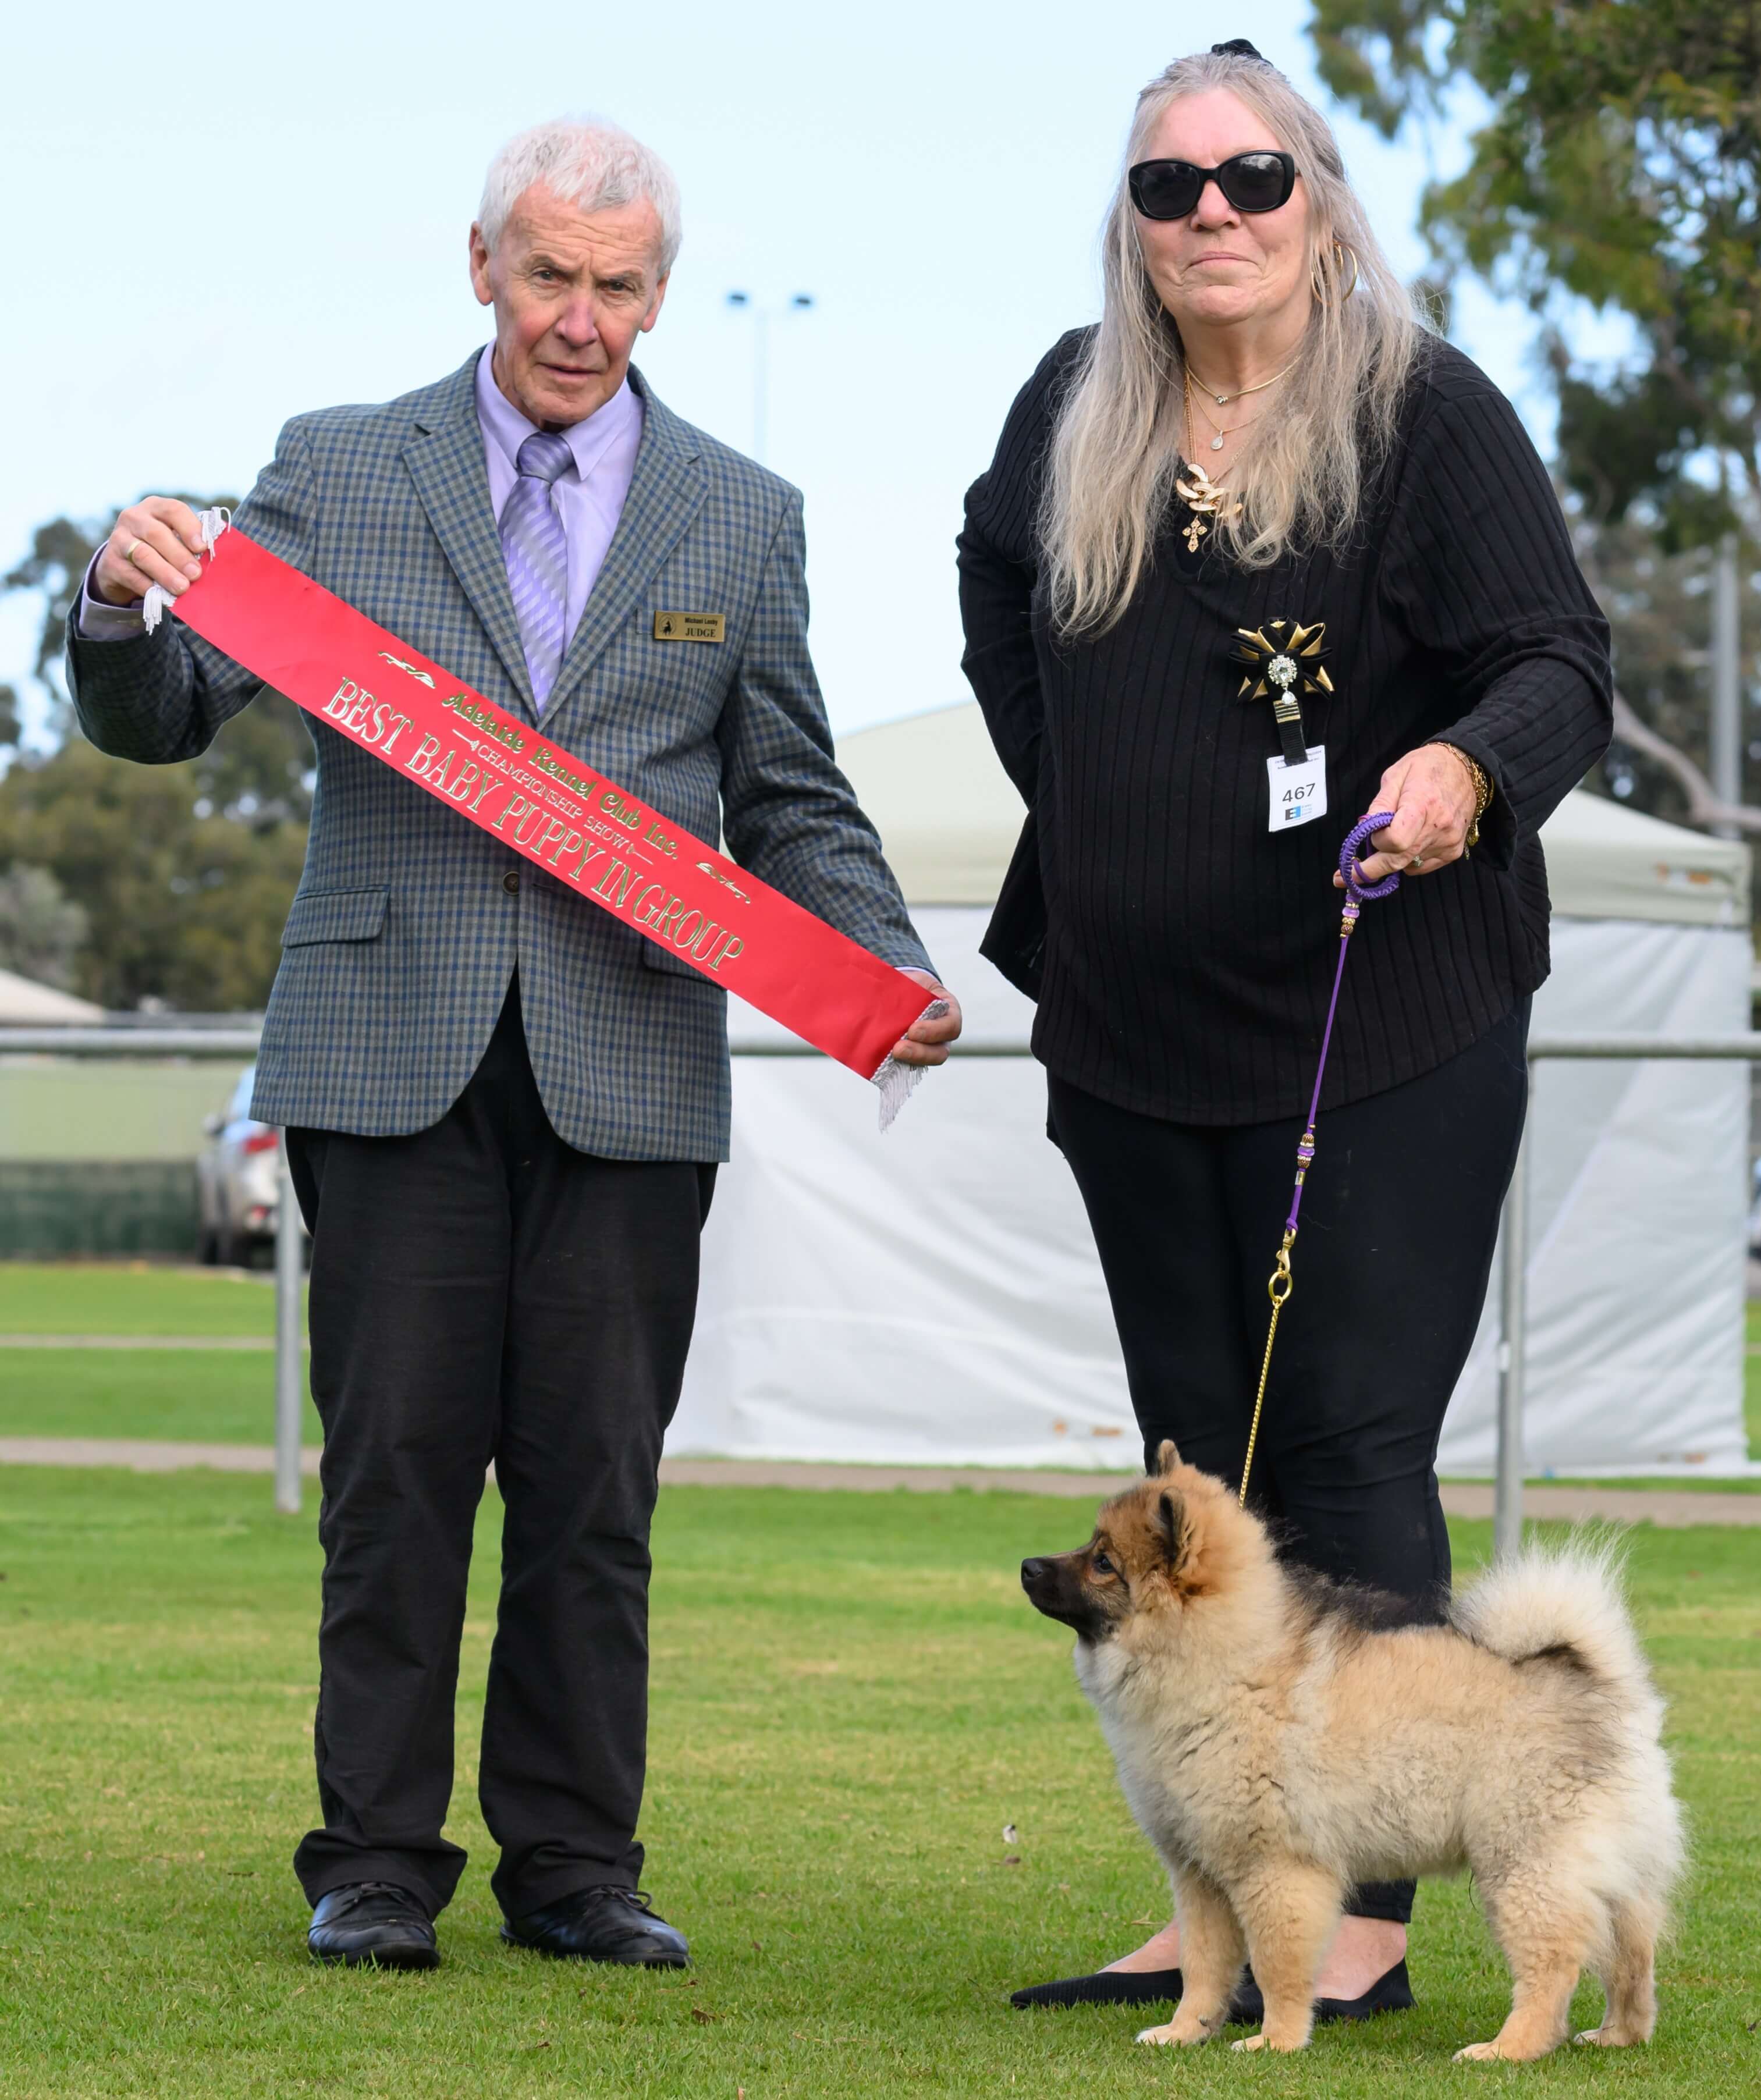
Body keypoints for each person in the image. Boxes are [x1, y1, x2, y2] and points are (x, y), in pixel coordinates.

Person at [69, 116, 960, 1973]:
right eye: (547, 273)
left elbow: (789, 798)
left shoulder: (742, 513)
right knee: (392, 1472)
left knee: (593, 1493)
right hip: (385, 1049)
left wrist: (882, 964)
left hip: (631, 1067)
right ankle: (376, 1862)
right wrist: (116, 595)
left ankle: (574, 1866)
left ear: (658, 292)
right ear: (478, 264)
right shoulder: (336, 467)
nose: (579, 317)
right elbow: (164, 719)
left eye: (617, 285)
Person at [958, 42, 1610, 2023]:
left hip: (1382, 1013)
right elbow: (998, 612)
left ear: (1317, 194)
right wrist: (1094, 815)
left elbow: (1553, 660)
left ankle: (1376, 1911)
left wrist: (1460, 775)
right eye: (1170, 189)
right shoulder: (1070, 410)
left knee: (1338, 1445)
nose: (1211, 216)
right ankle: (1216, 1914)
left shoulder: (1423, 413)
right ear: (1130, 223)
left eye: (1250, 178)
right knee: (1191, 1490)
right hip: (1132, 1032)